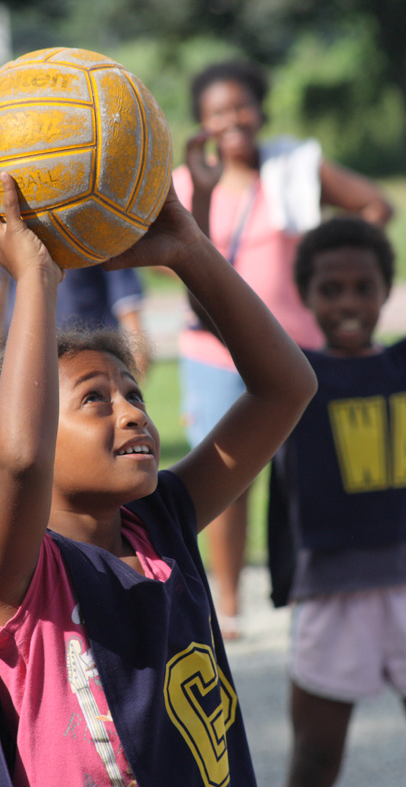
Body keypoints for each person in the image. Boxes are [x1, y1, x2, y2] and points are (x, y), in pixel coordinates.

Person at [0, 172, 316, 787]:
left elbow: (287, 388)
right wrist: (35, 277)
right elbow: (23, 461)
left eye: (132, 392)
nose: (132, 410)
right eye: (95, 400)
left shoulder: (161, 521)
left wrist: (190, 251)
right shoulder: (15, 572)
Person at [172, 58, 394, 638]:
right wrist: (202, 189)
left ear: (260, 109)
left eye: (241, 106)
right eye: (218, 111)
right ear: (201, 122)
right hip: (215, 352)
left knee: (310, 471)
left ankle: (311, 582)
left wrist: (337, 260)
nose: (232, 119)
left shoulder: (295, 167)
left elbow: (375, 204)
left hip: (296, 352)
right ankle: (228, 603)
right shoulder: (185, 180)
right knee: (224, 474)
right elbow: (184, 254)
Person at [267, 216, 406, 787]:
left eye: (363, 288)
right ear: (305, 295)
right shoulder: (294, 378)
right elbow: (215, 310)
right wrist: (197, 211)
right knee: (317, 758)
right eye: (330, 289)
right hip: (330, 590)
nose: (348, 302)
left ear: (386, 291)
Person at [0, 251, 149, 377]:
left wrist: (137, 346)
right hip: (25, 353)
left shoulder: (94, 219)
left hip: (86, 355)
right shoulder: (15, 219)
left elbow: (124, 295)